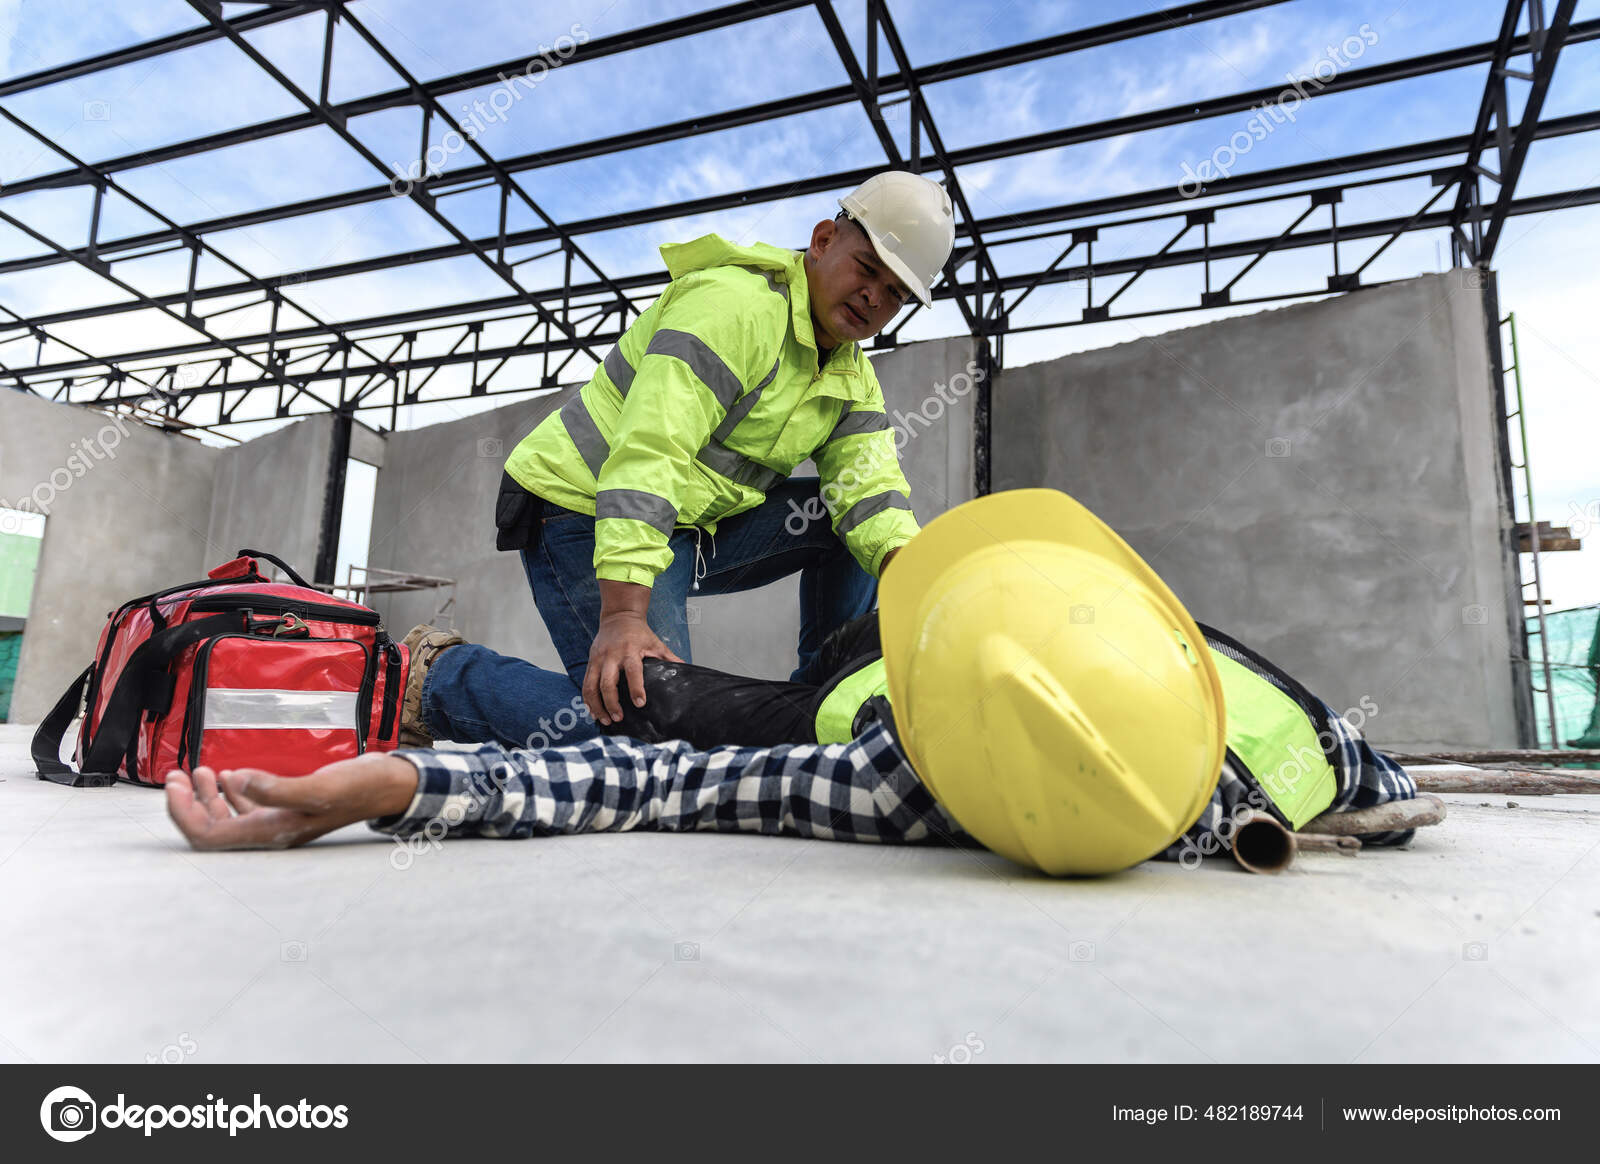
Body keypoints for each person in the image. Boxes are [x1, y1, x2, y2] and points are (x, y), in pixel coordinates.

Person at [167, 491, 1420, 872]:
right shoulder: (1304, 741)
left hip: (847, 677)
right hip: (937, 625)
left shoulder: (900, 774)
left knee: (640, 702)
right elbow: (1389, 782)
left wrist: (399, 779)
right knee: (640, 667)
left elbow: (645, 789)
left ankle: (443, 678)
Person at [491, 170, 956, 730]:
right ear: (824, 240)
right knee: (657, 717)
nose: (874, 298)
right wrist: (622, 613)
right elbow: (652, 448)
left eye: (895, 294)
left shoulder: (851, 378)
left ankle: (823, 706)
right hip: (581, 505)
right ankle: (436, 678)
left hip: (687, 525)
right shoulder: (734, 307)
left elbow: (872, 496)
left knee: (845, 527)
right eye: (867, 269)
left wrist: (930, 591)